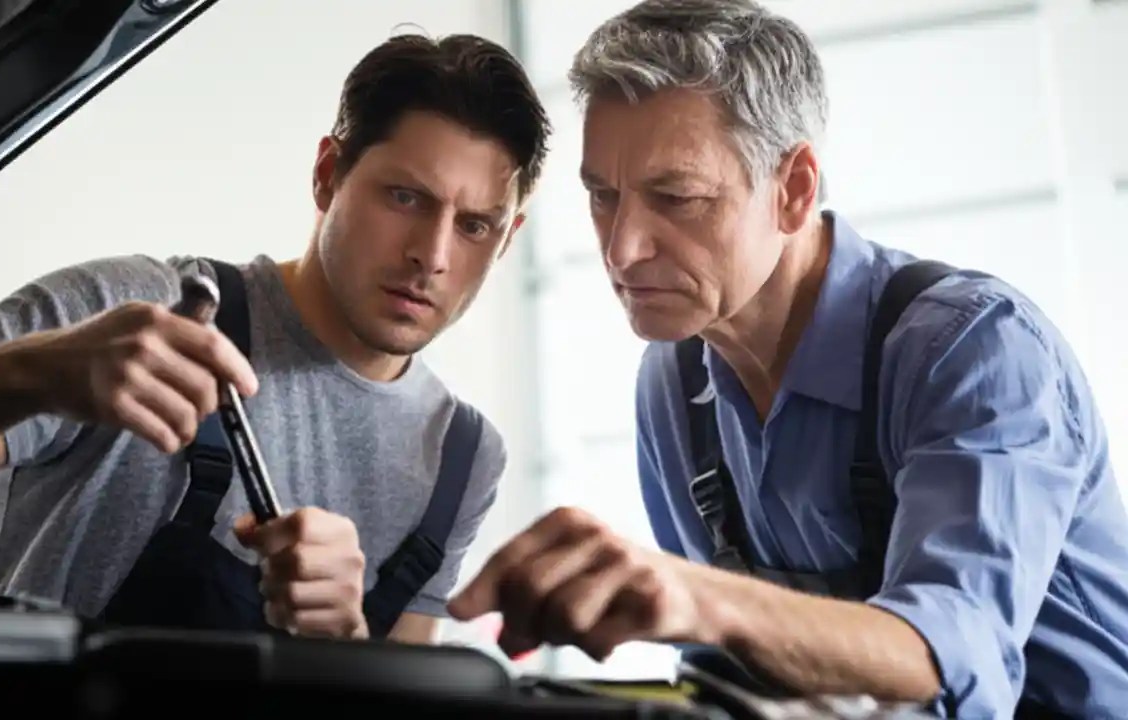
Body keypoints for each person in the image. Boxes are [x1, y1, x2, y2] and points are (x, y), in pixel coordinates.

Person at [448, 1, 1128, 717]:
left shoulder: (976, 349)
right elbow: (728, 676)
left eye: (676, 198)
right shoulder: (675, 383)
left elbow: (950, 653)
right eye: (602, 197)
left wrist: (694, 594)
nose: (622, 250)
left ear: (795, 189)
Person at [0, 32, 551, 645]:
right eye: (406, 198)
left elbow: (400, 697)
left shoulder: (462, 459)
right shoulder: (134, 311)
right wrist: (34, 372)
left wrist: (345, 637)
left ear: (507, 237)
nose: (432, 254)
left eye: (474, 225)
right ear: (328, 173)